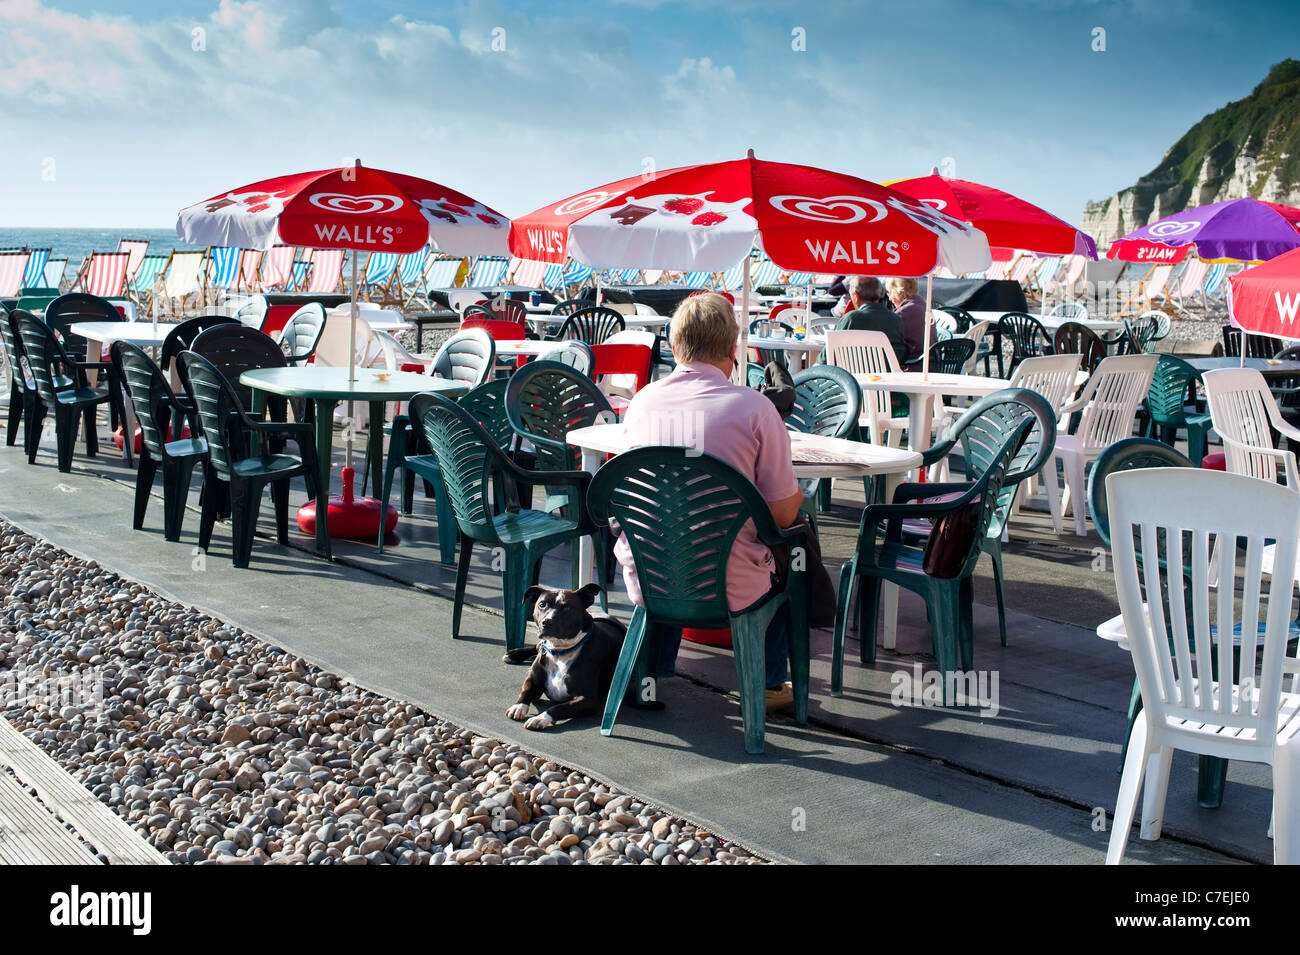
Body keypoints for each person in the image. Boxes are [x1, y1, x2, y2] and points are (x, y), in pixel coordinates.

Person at [616, 292, 804, 710]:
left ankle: (650, 670)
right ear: (731, 349)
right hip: (729, 584)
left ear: (675, 343)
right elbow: (784, 513)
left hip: (650, 573)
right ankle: (770, 683)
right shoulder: (755, 408)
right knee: (794, 551)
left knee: (671, 526)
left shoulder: (643, 401)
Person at [835, 275, 907, 365]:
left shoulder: (851, 319)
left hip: (854, 376)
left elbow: (826, 357)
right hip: (887, 375)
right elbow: (902, 353)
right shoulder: (896, 320)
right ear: (879, 294)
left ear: (855, 296)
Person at [886, 276, 933, 364]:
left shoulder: (904, 312)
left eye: (889, 293)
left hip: (914, 364)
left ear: (897, 291)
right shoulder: (922, 304)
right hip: (932, 362)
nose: (889, 298)